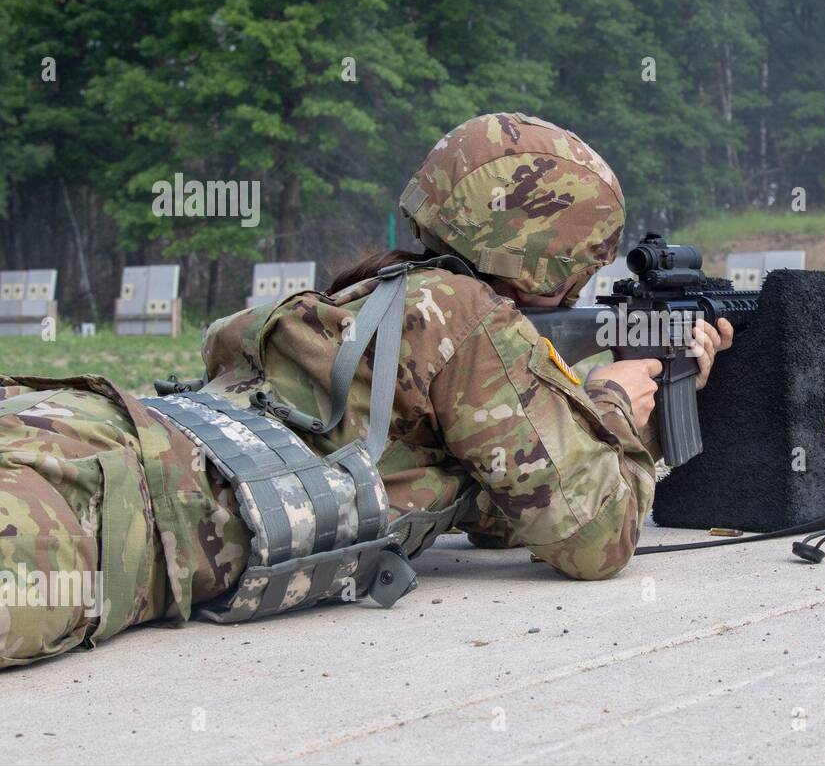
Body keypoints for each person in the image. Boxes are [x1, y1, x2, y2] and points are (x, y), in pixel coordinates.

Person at [0, 112, 732, 668]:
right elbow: (593, 538)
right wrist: (612, 408)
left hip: (88, 429)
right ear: (549, 252)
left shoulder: (375, 300)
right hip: (107, 508)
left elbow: (503, 506)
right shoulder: (467, 318)